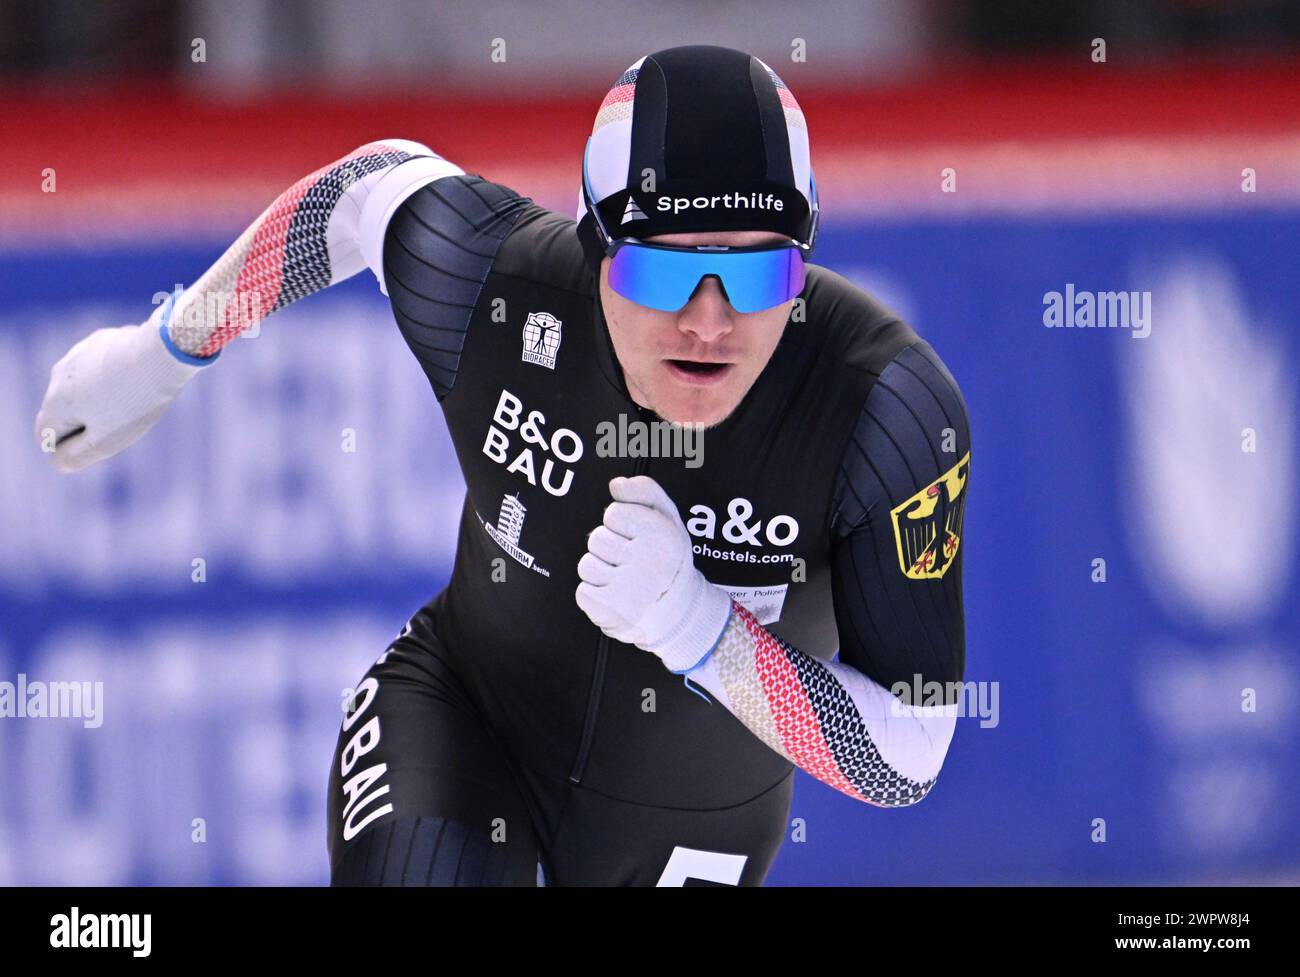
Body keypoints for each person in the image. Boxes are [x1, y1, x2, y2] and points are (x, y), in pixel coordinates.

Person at [34, 44, 971, 886]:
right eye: (664, 273)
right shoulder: (501, 289)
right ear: (592, 248)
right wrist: (163, 351)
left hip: (697, 824)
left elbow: (908, 753)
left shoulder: (882, 407)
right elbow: (364, 193)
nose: (709, 323)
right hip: (462, 723)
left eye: (758, 274)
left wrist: (701, 631)